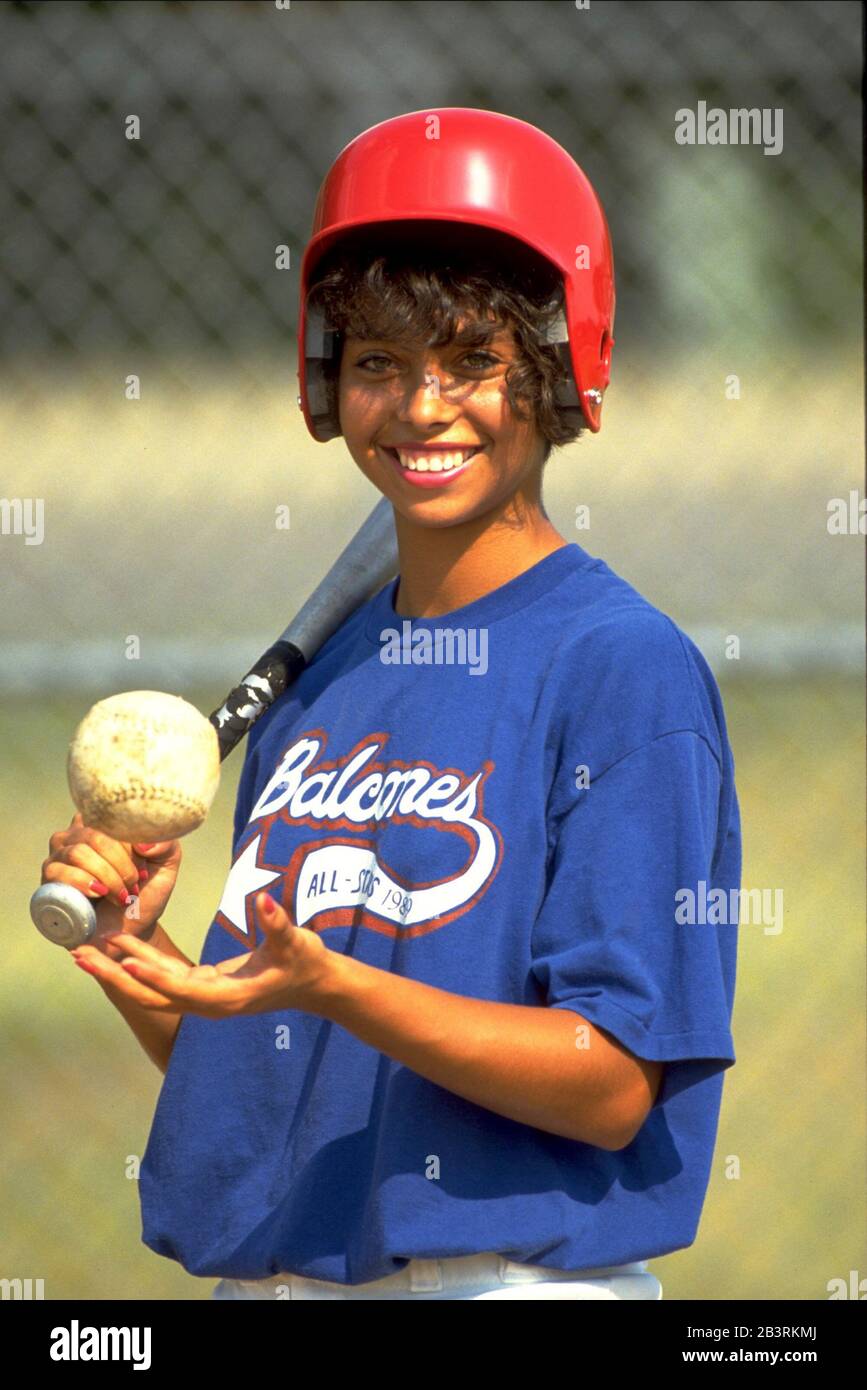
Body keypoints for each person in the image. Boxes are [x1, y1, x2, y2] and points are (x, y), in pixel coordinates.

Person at [49, 108, 740, 1301]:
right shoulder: (318, 681)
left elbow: (614, 1081)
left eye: (473, 362)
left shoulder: (621, 668)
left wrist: (340, 987)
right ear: (332, 378)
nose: (422, 408)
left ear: (560, 368)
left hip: (500, 1283)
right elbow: (279, 1079)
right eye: (378, 362)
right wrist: (143, 954)